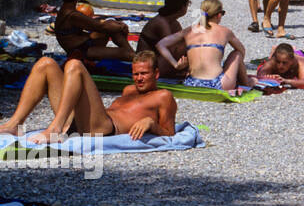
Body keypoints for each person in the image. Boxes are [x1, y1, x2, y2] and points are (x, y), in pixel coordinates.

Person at [1, 50, 177, 143]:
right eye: (136, 74)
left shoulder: (163, 96)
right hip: (82, 122)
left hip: (103, 129)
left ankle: (55, 129)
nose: (139, 78)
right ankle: (14, 124)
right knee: (45, 63)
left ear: (156, 74)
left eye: (144, 74)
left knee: (75, 66)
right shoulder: (129, 90)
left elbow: (170, 134)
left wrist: (151, 123)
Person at [156, 0, 251, 91]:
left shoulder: (189, 30)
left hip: (192, 83)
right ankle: (246, 84)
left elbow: (161, 44)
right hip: (217, 84)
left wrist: (175, 64)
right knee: (237, 54)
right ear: (218, 15)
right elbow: (241, 50)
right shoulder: (225, 31)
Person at [52, 0, 134, 62]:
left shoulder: (65, 10)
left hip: (81, 45)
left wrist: (115, 24)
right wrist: (121, 26)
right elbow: (101, 26)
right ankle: (132, 55)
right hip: (79, 51)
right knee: (122, 52)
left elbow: (96, 25)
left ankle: (132, 54)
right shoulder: (73, 15)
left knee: (112, 28)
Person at [137, 0, 191, 77]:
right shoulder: (161, 22)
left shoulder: (173, 22)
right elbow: (172, 49)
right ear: (182, 6)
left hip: (155, 60)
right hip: (146, 64)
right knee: (189, 41)